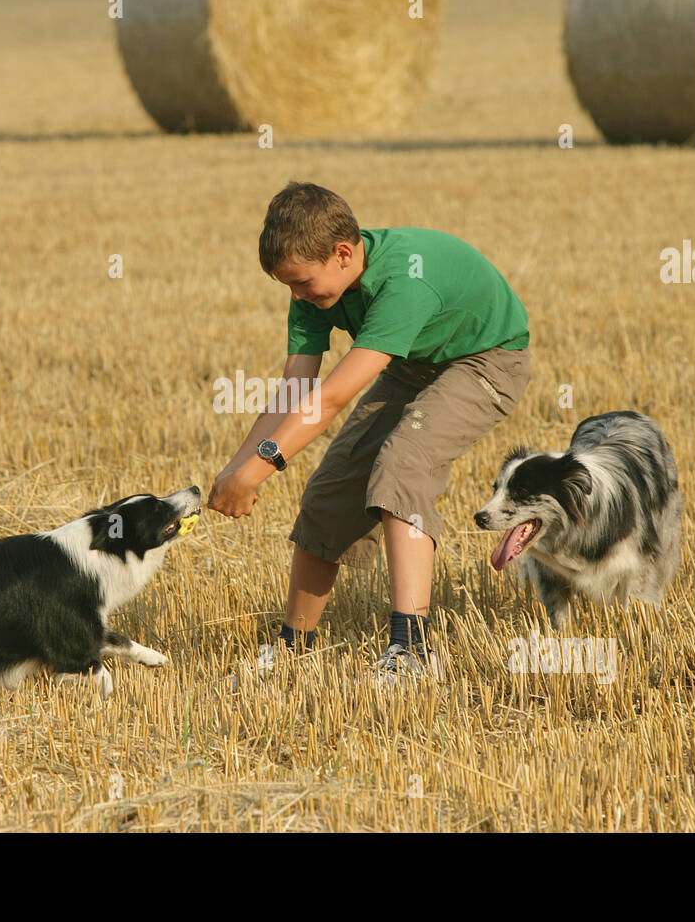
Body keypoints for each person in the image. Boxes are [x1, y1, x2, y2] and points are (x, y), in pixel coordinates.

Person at [208, 181, 531, 681]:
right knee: (328, 491)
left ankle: (412, 652)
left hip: (486, 362)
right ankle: (293, 651)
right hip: (415, 364)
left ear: (342, 253)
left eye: (303, 284)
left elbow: (332, 398)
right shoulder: (315, 290)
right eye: (288, 287)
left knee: (403, 462)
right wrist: (234, 468)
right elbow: (295, 392)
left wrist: (257, 471)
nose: (297, 296)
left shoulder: (404, 282)